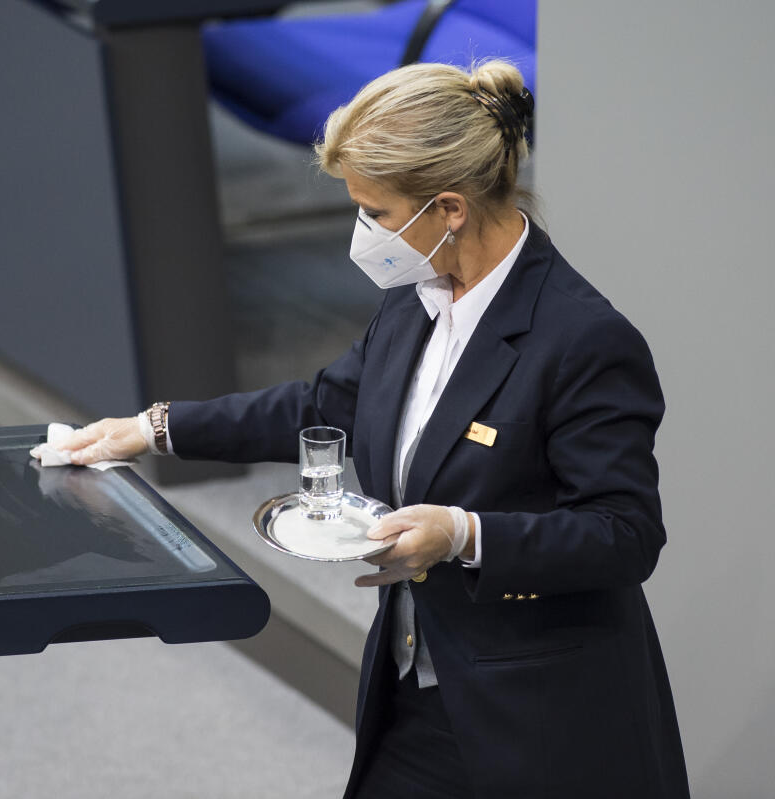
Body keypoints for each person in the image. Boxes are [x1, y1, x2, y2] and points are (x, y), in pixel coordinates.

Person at [54, 60, 689, 798]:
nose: (363, 234)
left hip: (539, 723)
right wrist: (152, 428)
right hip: (414, 691)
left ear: (448, 208)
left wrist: (465, 533)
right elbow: (324, 407)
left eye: (375, 213)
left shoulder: (583, 340)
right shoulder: (414, 295)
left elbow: (625, 531)